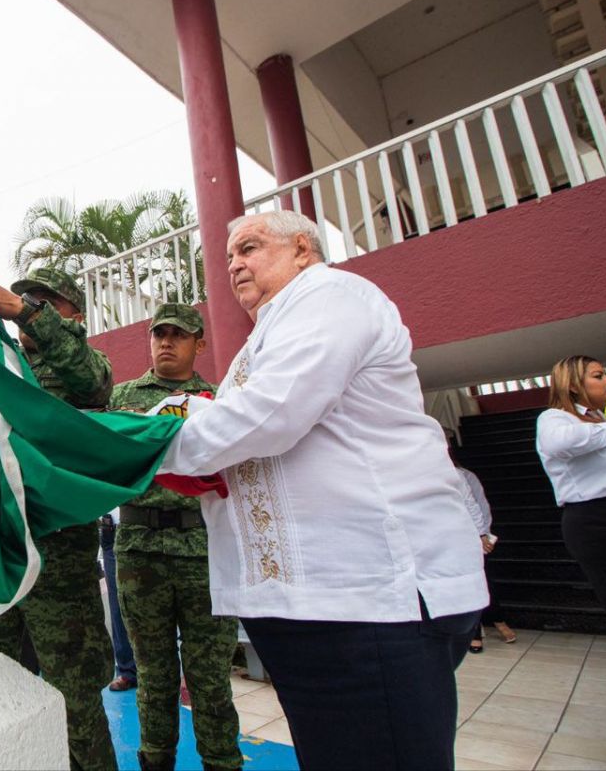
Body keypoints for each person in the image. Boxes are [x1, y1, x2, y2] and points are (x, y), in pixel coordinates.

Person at [156, 211, 487, 770]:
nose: (233, 264)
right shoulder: (274, 328)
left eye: (249, 248)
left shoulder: (330, 295)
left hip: (368, 601)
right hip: (319, 607)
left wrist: (138, 445)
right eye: (228, 256)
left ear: (302, 249)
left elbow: (270, 413)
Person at [0, 230, 117, 771]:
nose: (30, 309)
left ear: (73, 316)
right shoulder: (4, 364)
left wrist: (24, 311)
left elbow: (92, 382)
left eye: (47, 302)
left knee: (74, 699)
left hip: (57, 558)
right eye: (28, 298)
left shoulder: (85, 365)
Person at [109, 302, 240, 771]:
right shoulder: (122, 398)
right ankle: (156, 761)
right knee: (154, 673)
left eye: (178, 335)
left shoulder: (220, 402)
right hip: (140, 550)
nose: (166, 342)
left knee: (211, 676)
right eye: (159, 334)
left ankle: (222, 761)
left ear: (199, 344)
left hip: (206, 550)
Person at [535, 356, 606, 634]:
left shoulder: (600, 419)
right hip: (595, 519)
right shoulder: (554, 418)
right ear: (572, 384)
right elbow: (559, 444)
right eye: (598, 376)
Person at [447, 444, 517, 652]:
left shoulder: (462, 475)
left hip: (468, 535)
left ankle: (498, 620)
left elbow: (476, 504)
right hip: (445, 539)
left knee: (481, 580)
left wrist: (482, 533)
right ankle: (474, 632)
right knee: (460, 586)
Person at [99, 507, 137, 692]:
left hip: (138, 527)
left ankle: (155, 669)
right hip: (110, 530)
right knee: (117, 604)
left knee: (149, 602)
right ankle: (127, 670)